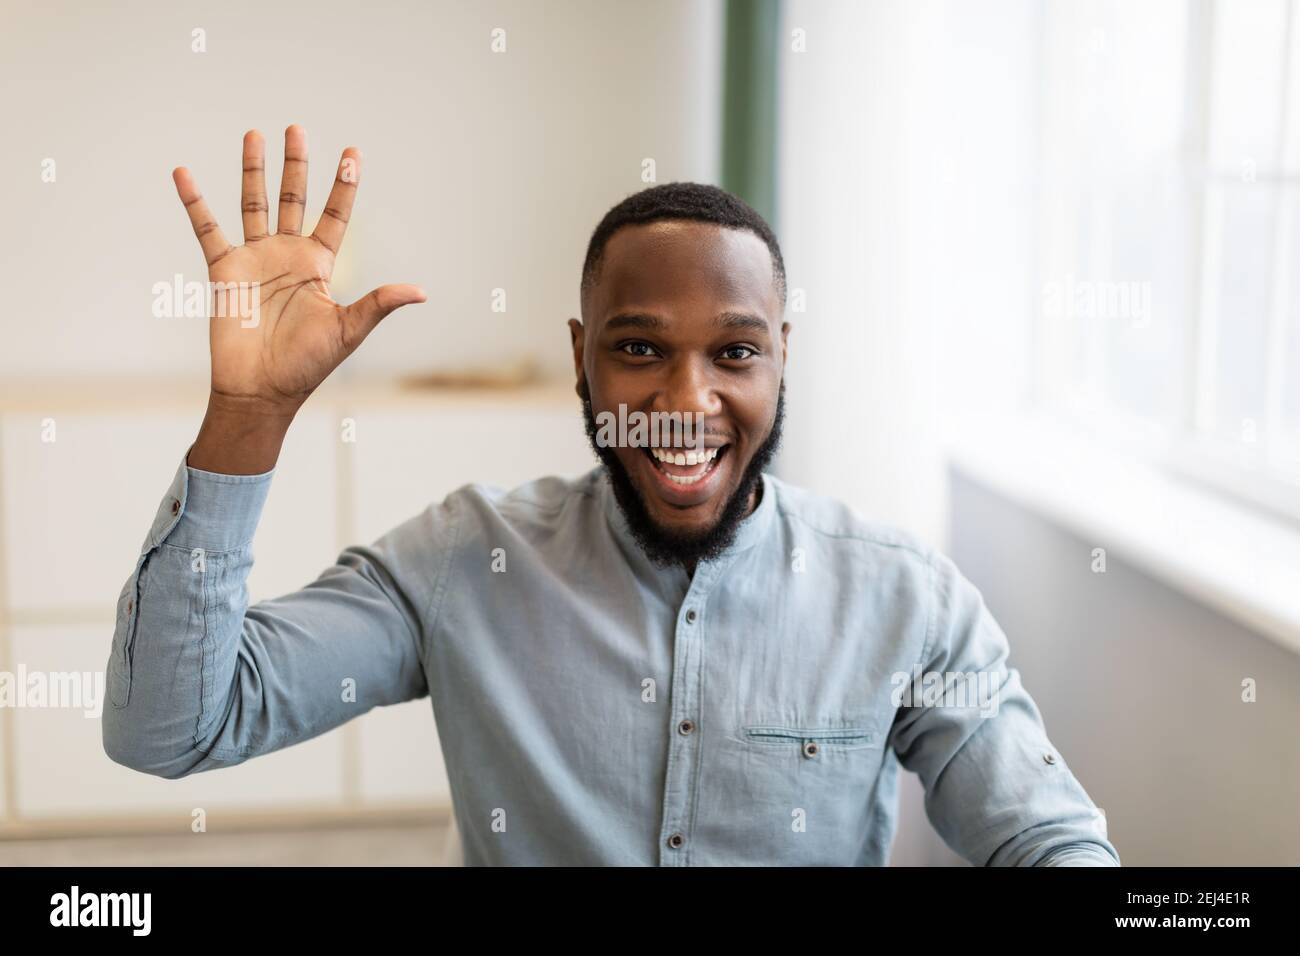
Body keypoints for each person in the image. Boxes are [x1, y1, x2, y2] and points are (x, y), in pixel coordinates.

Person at [102, 125, 1119, 867]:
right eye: (639, 349)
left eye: (734, 351)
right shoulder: (463, 561)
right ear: (581, 361)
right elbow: (171, 728)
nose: (686, 400)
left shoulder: (907, 602)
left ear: (779, 361)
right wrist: (250, 414)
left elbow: (1044, 836)